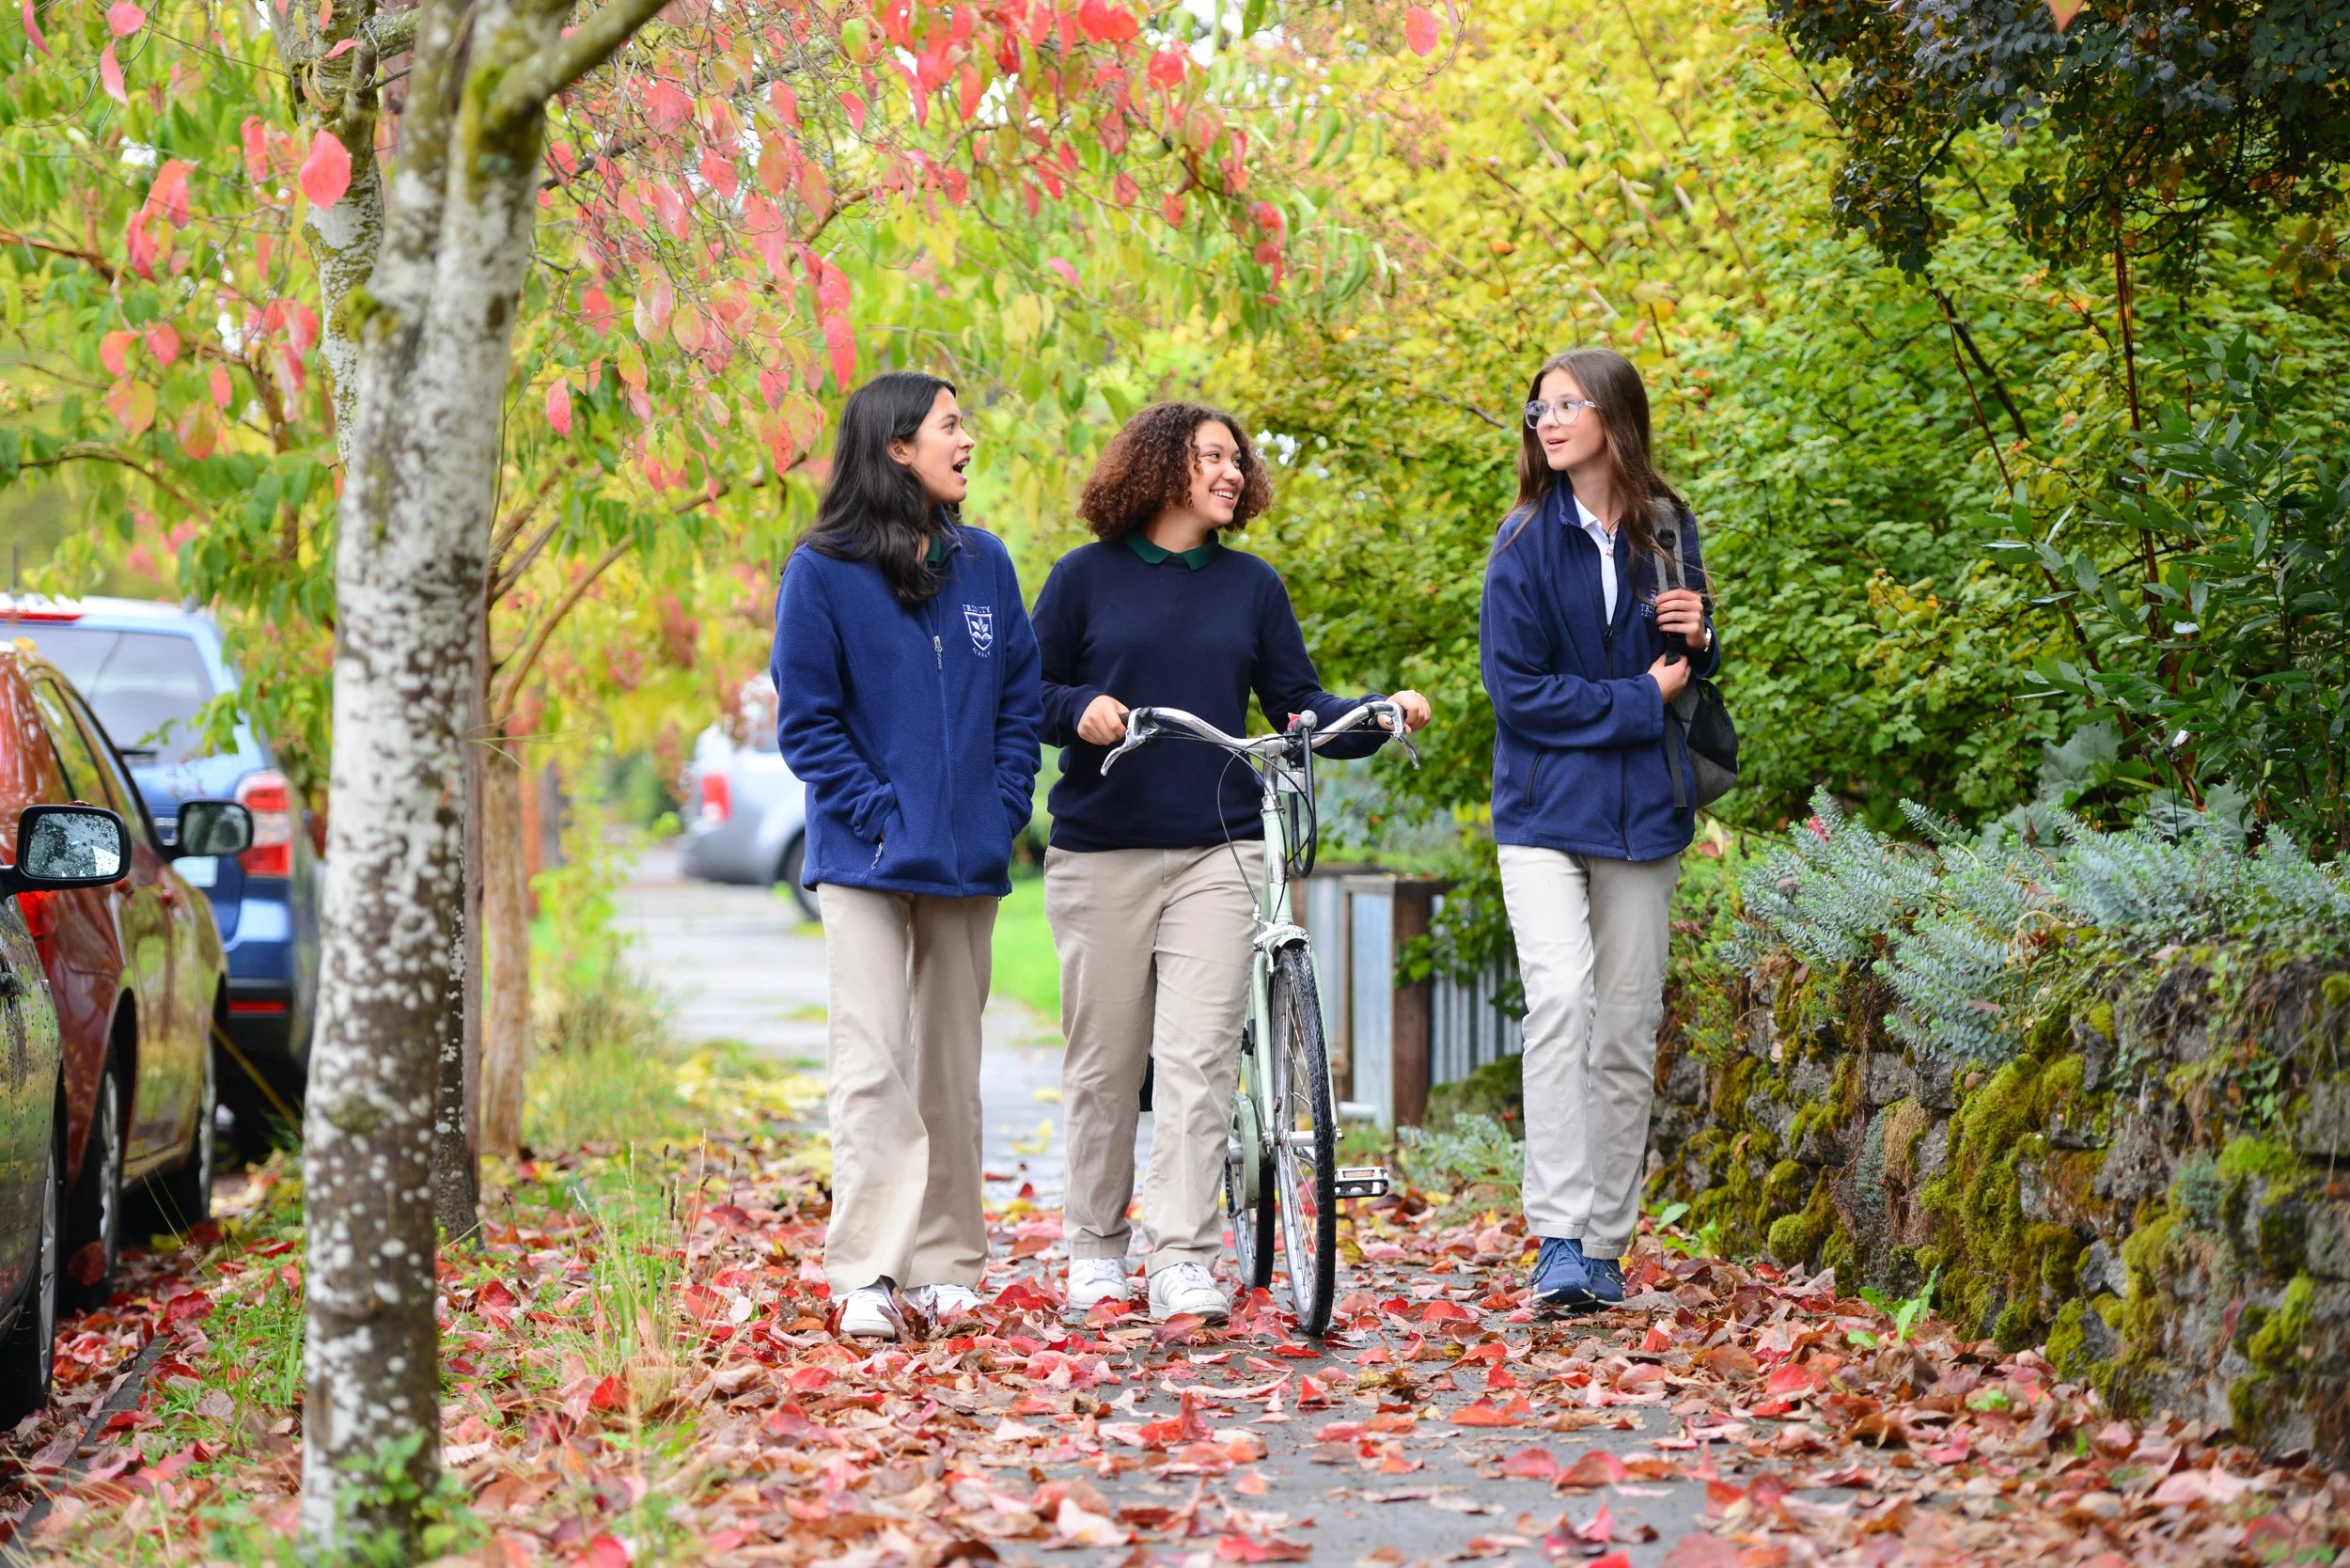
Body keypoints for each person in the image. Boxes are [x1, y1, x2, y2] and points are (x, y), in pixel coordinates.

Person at [1031, 401, 1431, 1325]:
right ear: (1158, 465)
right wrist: (1080, 709)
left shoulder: (1251, 586)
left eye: (1236, 460)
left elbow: (1298, 705)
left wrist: (1373, 714)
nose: (1230, 472)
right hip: (1103, 851)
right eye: (1210, 456)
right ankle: (1094, 1249)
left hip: (1221, 848)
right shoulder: (1083, 579)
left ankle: (1179, 1256)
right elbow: (1029, 693)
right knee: (1104, 1060)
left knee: (1198, 1056)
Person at [772, 370, 1042, 1341]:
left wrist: (1005, 803)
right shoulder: (822, 571)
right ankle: (865, 1272)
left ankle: (945, 1264)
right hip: (867, 862)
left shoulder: (988, 565)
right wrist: (878, 814)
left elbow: (1019, 702)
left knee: (948, 1072)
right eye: (949, 426)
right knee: (872, 1063)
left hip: (968, 860)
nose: (966, 440)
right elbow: (807, 723)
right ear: (896, 446)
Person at [1479, 347, 1719, 1311]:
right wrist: (1637, 697)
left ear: (1612, 415)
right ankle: (1558, 1237)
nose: (1546, 420)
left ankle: (1607, 1244)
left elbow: (1690, 662)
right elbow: (1517, 694)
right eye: (1537, 408)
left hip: (1643, 811)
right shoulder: (1522, 539)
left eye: (1565, 404)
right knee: (1561, 1001)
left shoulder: (1667, 525)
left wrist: (1700, 639)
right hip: (1541, 810)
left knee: (1626, 1026)